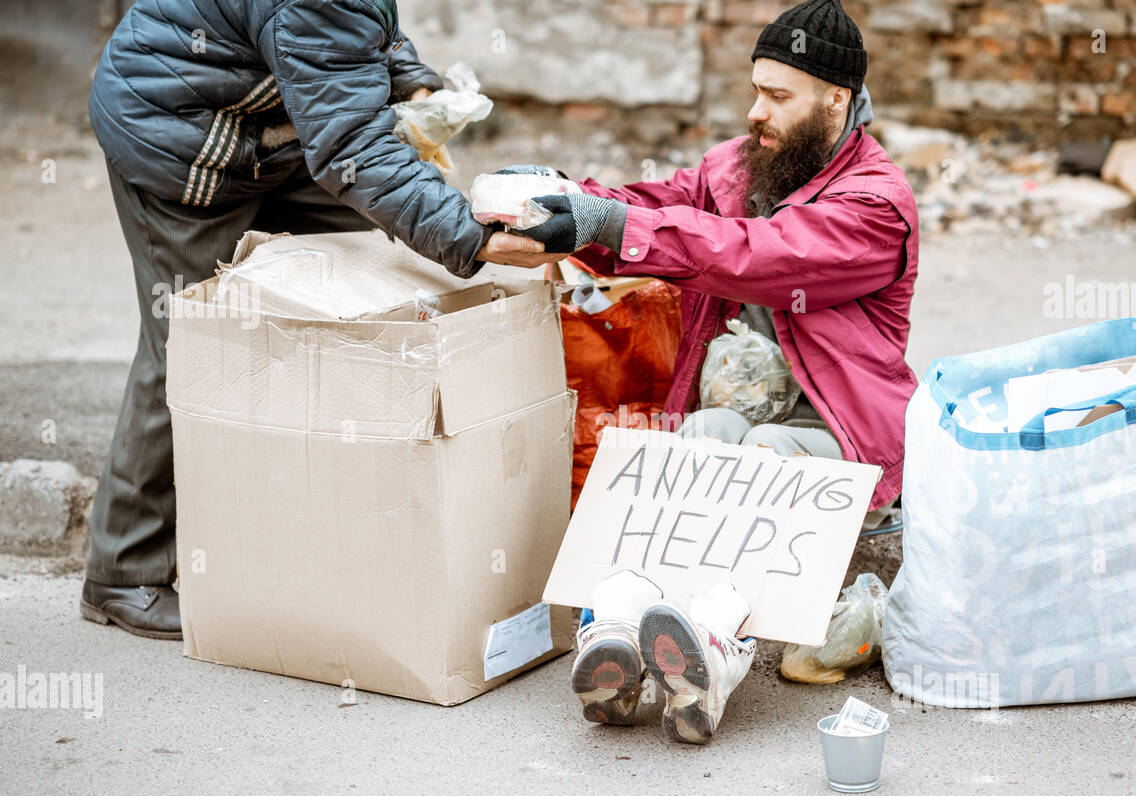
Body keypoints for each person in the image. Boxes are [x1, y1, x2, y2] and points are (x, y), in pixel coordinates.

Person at [80, 0, 560, 640]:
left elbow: (350, 37)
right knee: (193, 342)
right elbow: (351, 144)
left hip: (265, 132)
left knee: (379, 267)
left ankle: (311, 514)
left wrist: (407, 75)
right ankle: (124, 573)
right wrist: (468, 237)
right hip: (177, 139)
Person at [516, 0, 919, 743]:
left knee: (762, 458)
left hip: (838, 439)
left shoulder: (876, 203)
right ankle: (618, 629)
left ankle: (715, 654)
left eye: (777, 95)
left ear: (836, 100)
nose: (754, 110)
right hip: (741, 414)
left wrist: (615, 226)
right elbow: (658, 211)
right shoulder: (737, 165)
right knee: (690, 441)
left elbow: (758, 255)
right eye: (755, 88)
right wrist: (567, 202)